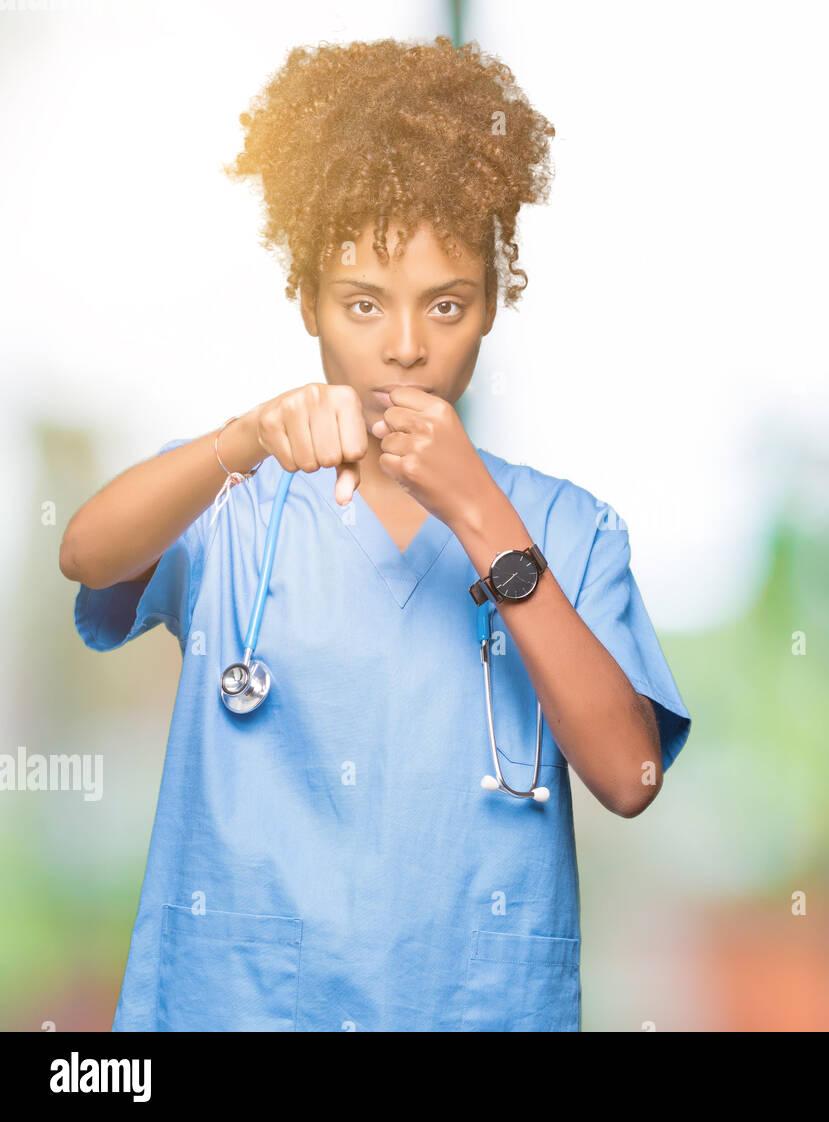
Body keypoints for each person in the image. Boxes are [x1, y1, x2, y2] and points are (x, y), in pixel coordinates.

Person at [58, 37, 691, 1032]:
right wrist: (241, 438)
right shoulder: (233, 498)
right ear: (305, 299)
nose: (405, 345)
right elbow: (86, 554)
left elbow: (629, 777)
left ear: (493, 306)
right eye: (362, 304)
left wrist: (480, 515)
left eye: (448, 304)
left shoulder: (570, 526)